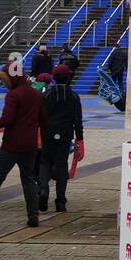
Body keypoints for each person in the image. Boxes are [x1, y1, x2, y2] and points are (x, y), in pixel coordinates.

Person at [0, 61, 48, 232]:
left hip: (11, 145)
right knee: (28, 180)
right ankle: (33, 216)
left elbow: (8, 118)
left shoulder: (13, 95)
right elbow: (43, 119)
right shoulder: (36, 94)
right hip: (30, 145)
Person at [40, 64, 83, 212]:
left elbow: (40, 115)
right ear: (68, 77)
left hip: (48, 132)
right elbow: (78, 120)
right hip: (65, 133)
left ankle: (43, 189)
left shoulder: (46, 94)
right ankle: (60, 201)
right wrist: (80, 139)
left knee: (45, 162)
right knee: (61, 165)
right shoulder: (73, 96)